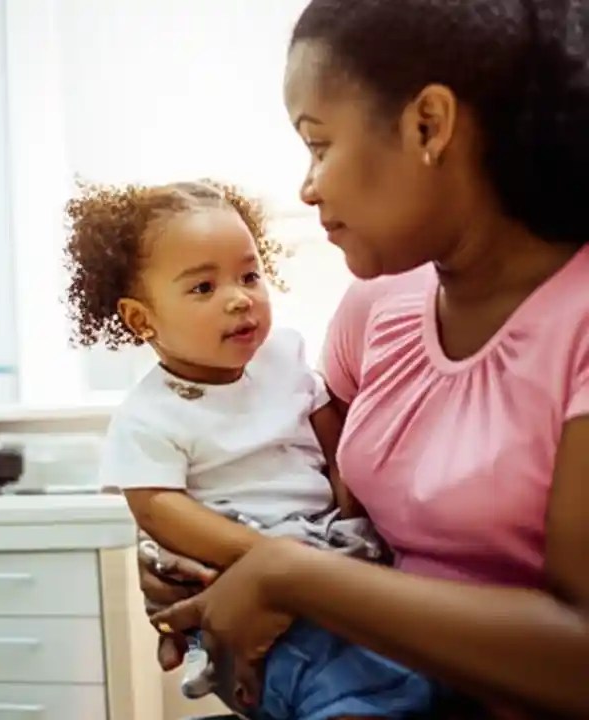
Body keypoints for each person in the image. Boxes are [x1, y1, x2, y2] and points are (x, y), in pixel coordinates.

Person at [140, 0, 589, 718]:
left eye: (318, 145)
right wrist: (203, 568)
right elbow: (315, 504)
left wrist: (288, 576)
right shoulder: (377, 305)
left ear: (428, 125)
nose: (307, 186)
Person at [64, 179, 431, 719]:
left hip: (327, 541)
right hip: (239, 554)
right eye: (203, 288)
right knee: (311, 670)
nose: (240, 297)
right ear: (142, 319)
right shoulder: (148, 414)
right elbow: (158, 506)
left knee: (392, 659)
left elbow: (333, 437)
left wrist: (347, 508)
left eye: (249, 275)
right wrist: (260, 557)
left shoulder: (284, 356)